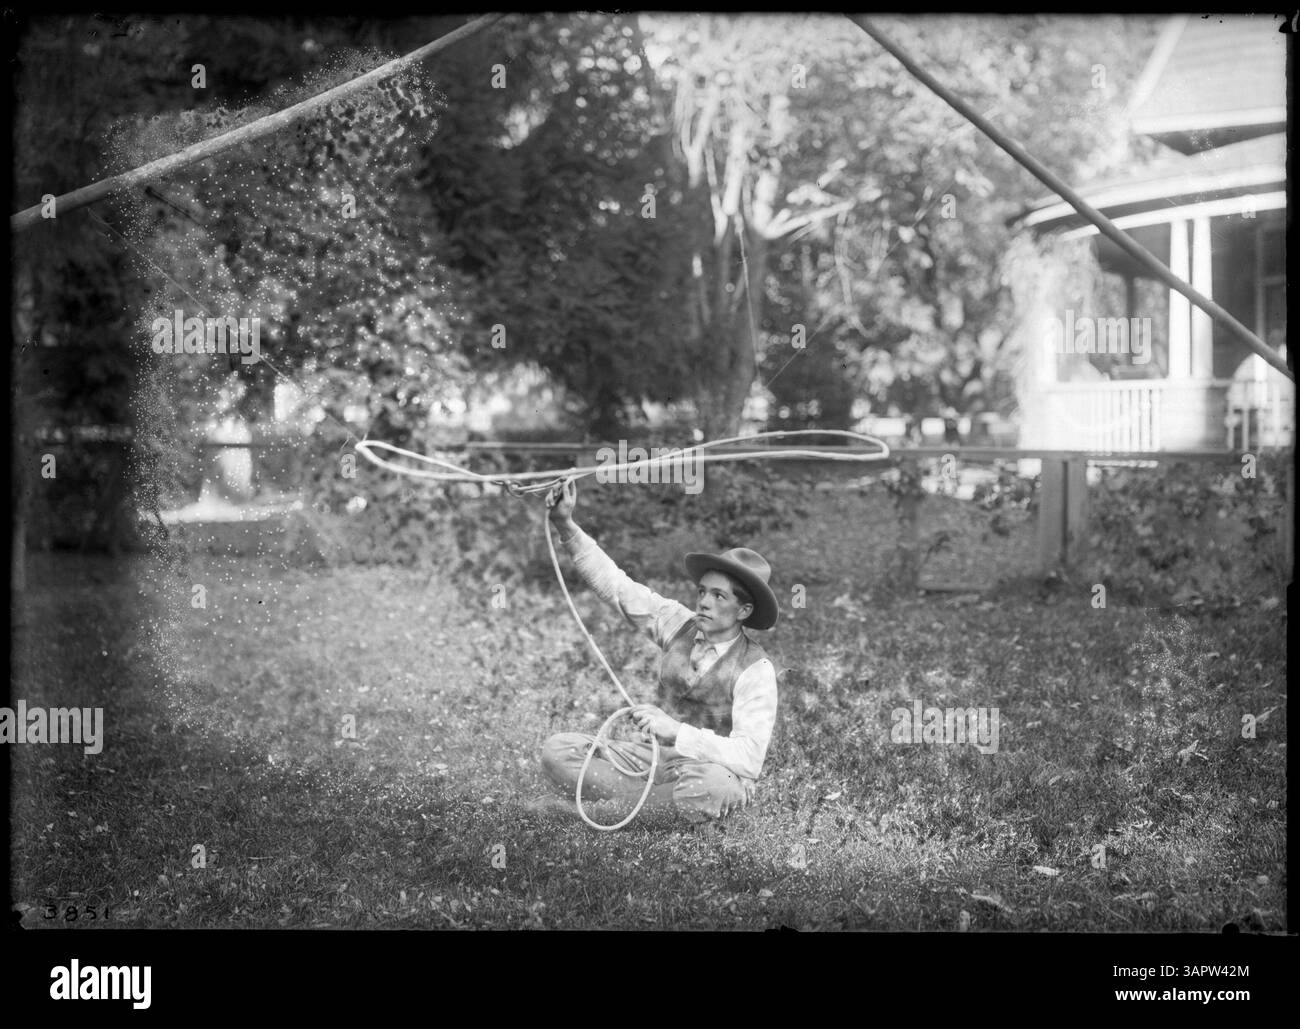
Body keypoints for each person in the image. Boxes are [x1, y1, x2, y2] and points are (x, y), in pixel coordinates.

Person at [534, 478, 780, 828]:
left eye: (719, 597)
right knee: (558, 751)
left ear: (743, 611)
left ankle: (586, 813)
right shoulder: (677, 622)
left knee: (713, 787)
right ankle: (648, 809)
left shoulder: (757, 670)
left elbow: (749, 758)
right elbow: (617, 587)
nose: (704, 602)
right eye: (703, 592)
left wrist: (676, 731)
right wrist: (566, 524)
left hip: (708, 772)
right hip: (651, 761)